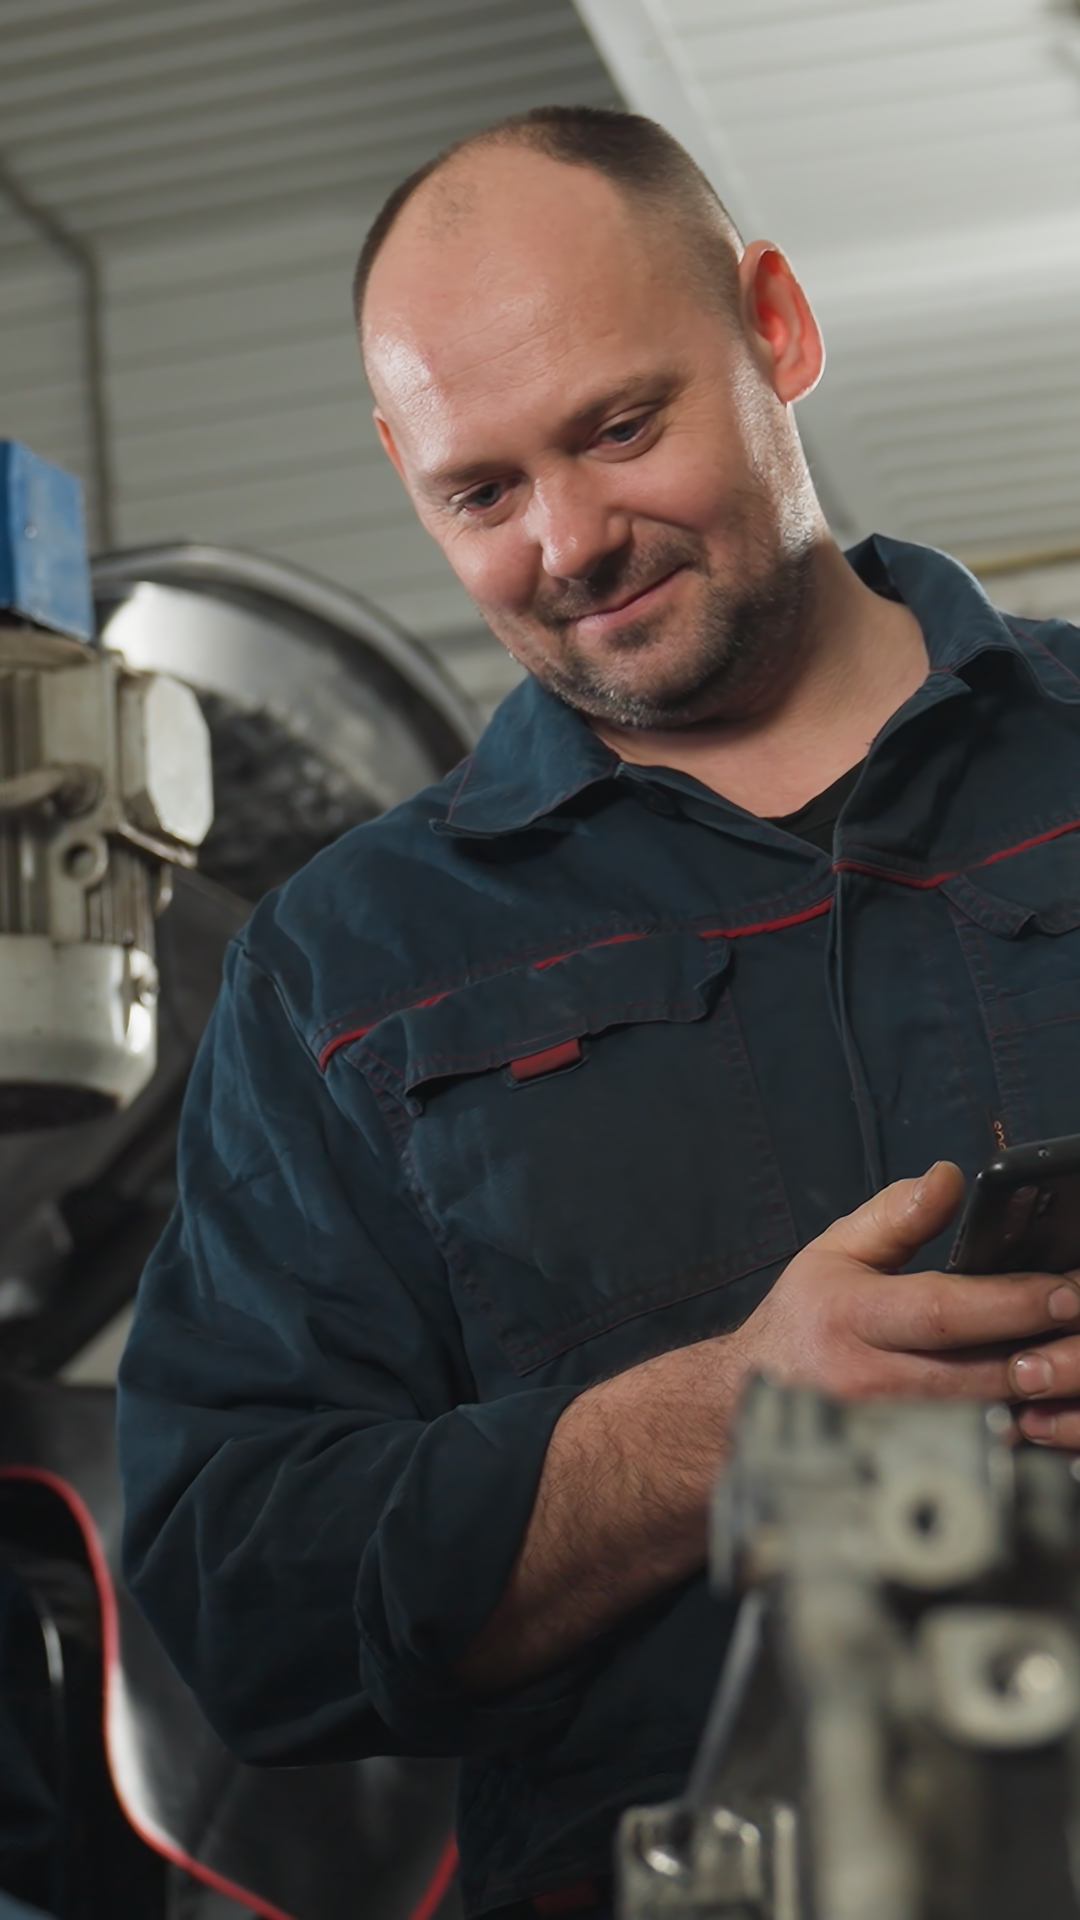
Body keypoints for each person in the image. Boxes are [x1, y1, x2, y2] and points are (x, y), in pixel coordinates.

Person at [117, 106, 1080, 1918]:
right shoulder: (348, 971)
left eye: (622, 428)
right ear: (405, 473)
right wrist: (726, 1423)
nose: (571, 542)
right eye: (481, 492)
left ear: (775, 329)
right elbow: (241, 1597)